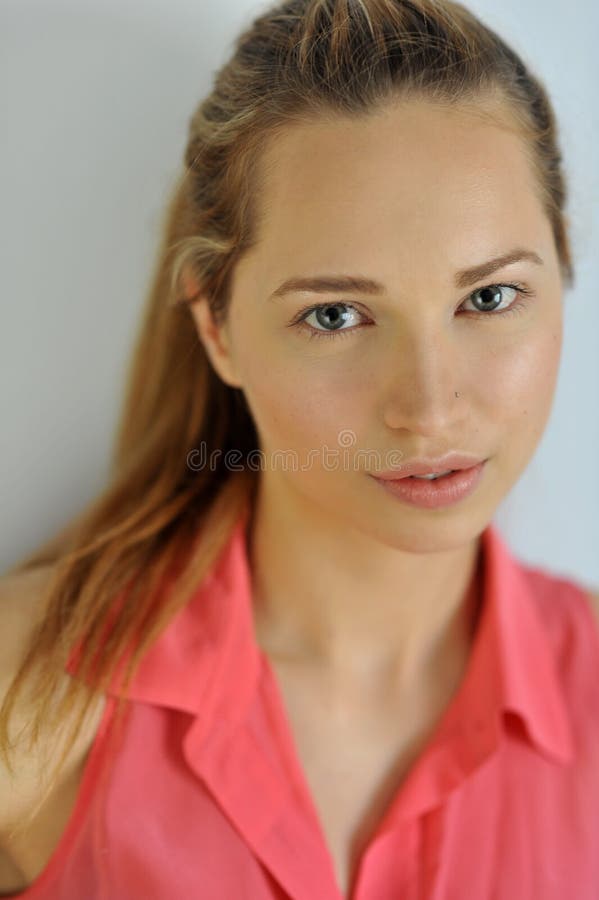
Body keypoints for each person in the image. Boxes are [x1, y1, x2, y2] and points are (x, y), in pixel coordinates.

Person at [1, 0, 598, 897]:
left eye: (488, 298)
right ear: (217, 327)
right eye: (334, 315)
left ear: (562, 266)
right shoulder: (29, 689)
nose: (429, 409)